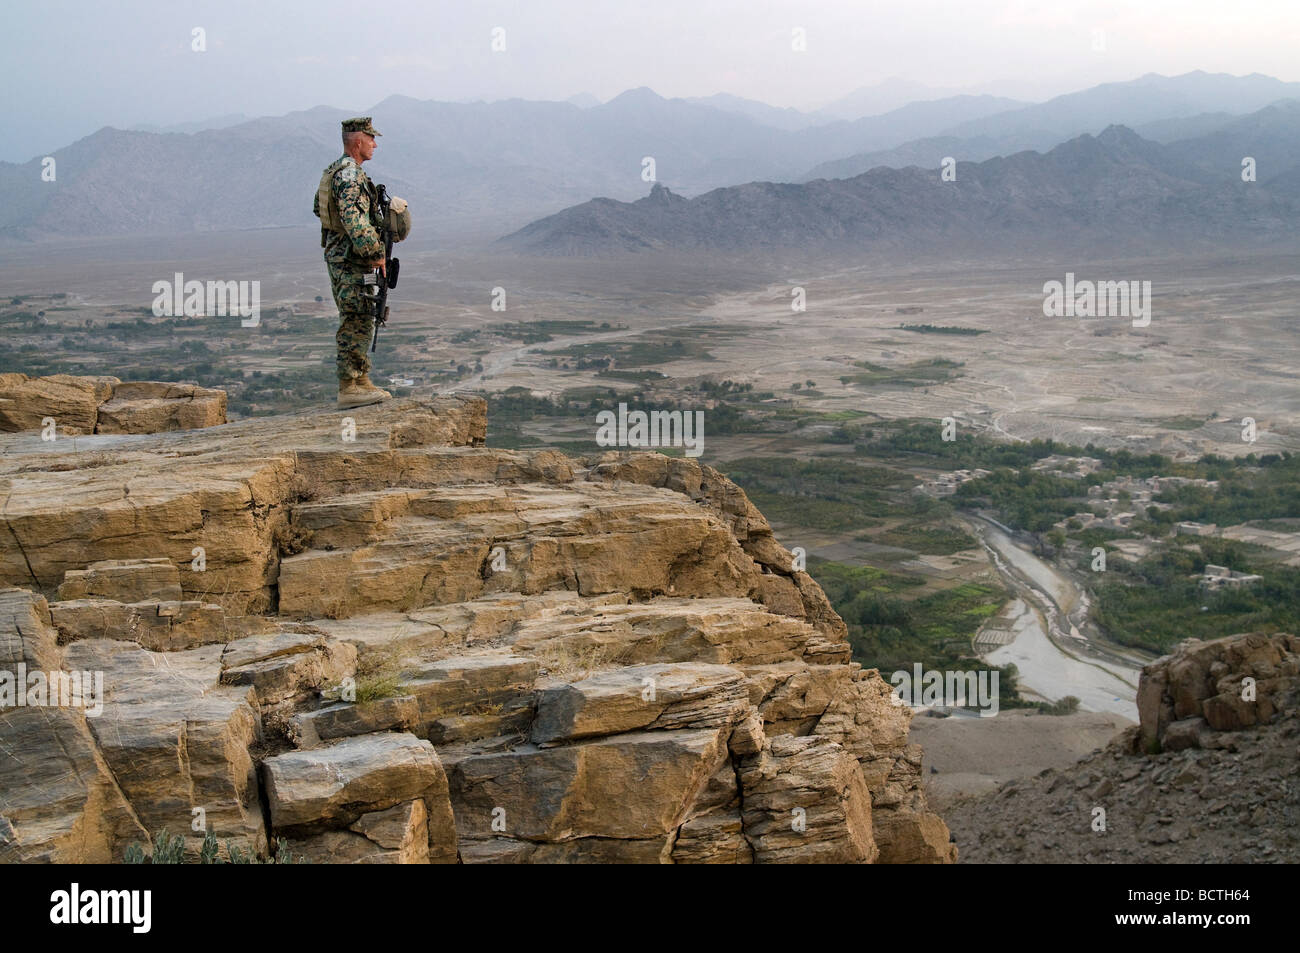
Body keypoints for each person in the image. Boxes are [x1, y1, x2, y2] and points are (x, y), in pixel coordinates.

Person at [314, 116, 392, 408]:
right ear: (358, 142)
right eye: (371, 139)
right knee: (355, 316)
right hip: (350, 260)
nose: (374, 145)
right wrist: (375, 252)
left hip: (346, 257)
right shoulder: (350, 176)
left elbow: (319, 208)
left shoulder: (337, 171)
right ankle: (348, 386)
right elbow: (353, 219)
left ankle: (360, 379)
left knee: (362, 314)